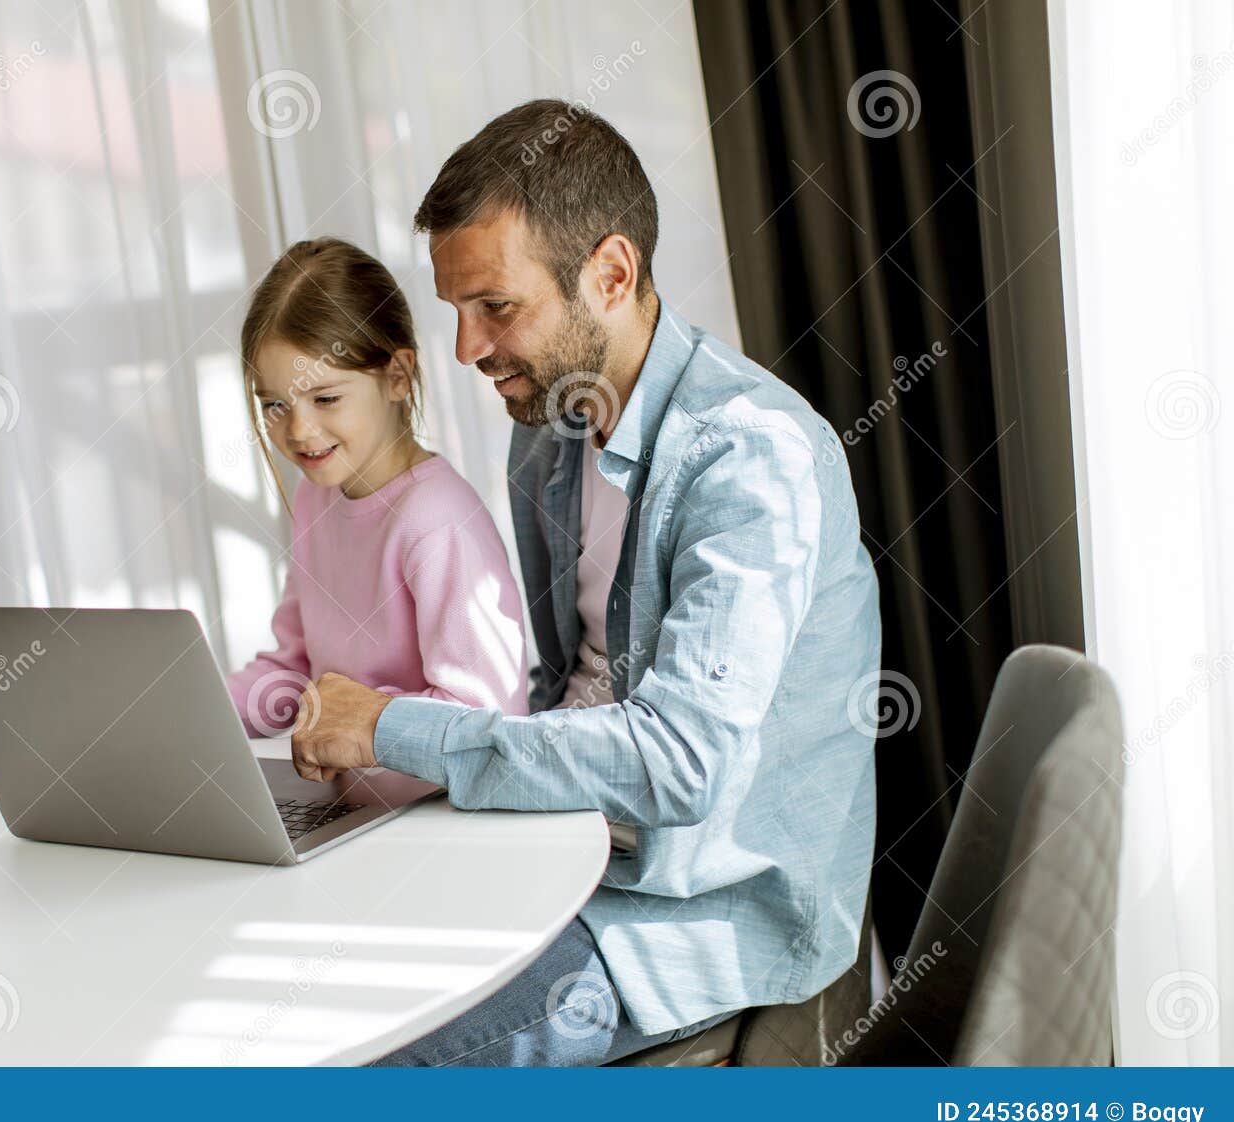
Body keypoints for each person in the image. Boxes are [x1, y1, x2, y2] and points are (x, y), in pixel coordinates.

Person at [292, 101, 883, 1065]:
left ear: (610, 273)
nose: (466, 349)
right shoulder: (550, 445)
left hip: (687, 918)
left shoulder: (750, 457)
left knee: (362, 1067)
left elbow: (682, 761)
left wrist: (390, 723)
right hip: (562, 857)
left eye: (496, 307)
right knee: (306, 983)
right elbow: (554, 692)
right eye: (455, 312)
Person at [225, 237, 529, 738]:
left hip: (438, 815)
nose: (298, 430)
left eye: (325, 398)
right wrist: (197, 716)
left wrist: (358, 722)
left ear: (397, 376)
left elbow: (484, 720)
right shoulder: (316, 498)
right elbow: (295, 673)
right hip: (363, 808)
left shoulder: (437, 522)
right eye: (275, 405)